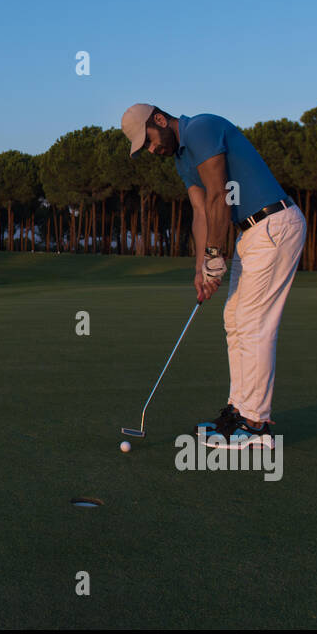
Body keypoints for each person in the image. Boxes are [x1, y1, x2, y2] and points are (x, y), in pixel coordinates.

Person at [121, 103, 306, 449]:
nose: (152, 150)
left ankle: (255, 425)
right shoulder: (181, 158)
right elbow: (201, 211)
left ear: (159, 120)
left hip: (273, 225)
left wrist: (214, 256)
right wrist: (200, 268)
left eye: (148, 140)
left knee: (252, 321)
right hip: (250, 233)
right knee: (235, 318)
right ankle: (239, 411)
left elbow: (220, 195)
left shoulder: (201, 129)